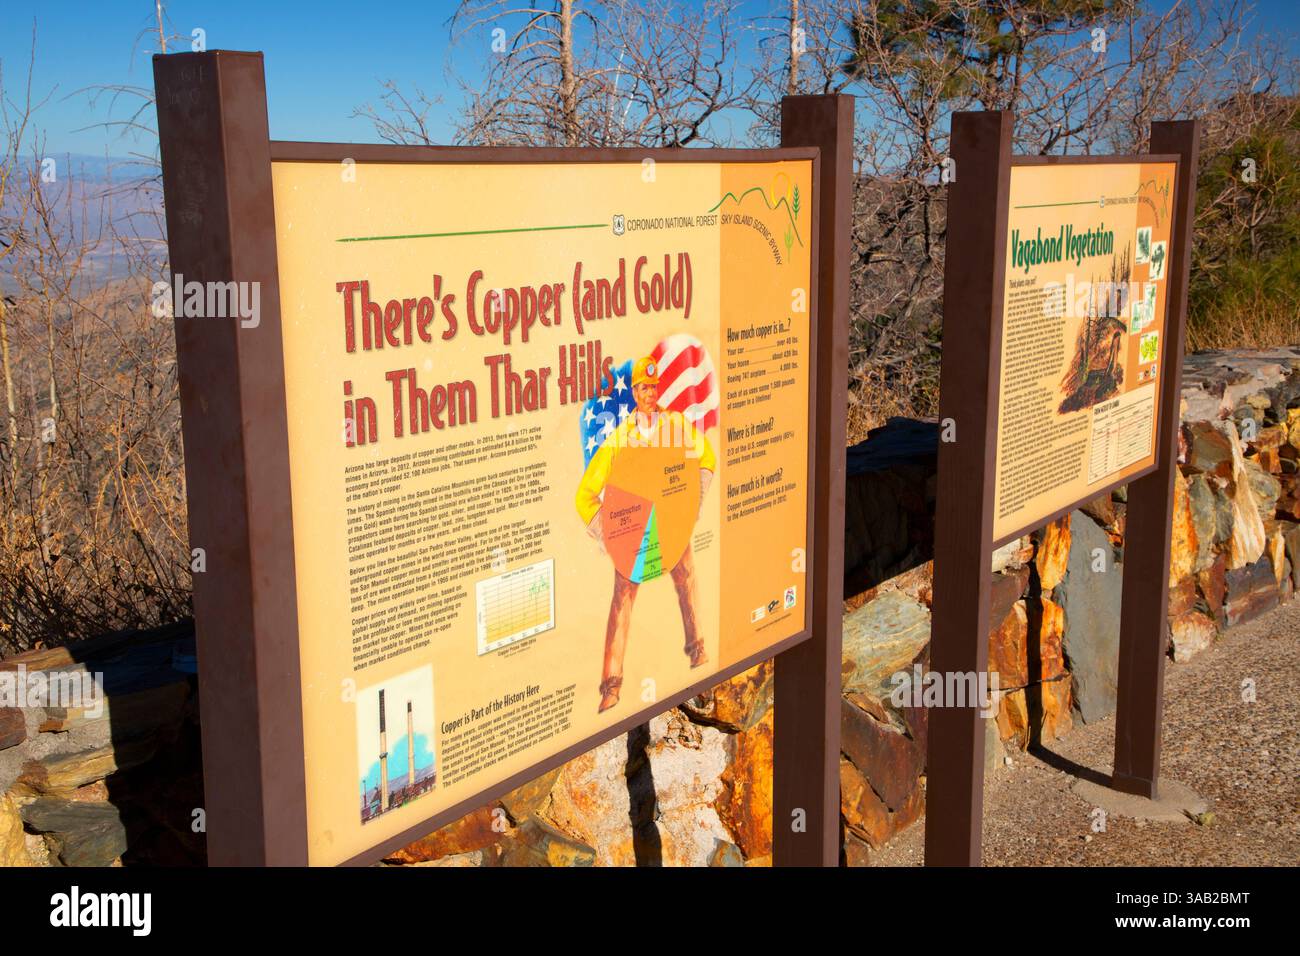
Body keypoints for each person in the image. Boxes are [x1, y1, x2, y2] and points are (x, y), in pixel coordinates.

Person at [576, 356, 715, 713]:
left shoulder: (675, 424)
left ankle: (698, 649)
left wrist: (693, 506)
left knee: (686, 575)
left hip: (670, 521)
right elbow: (584, 496)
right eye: (642, 387)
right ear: (635, 392)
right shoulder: (621, 438)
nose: (648, 393)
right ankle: (611, 687)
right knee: (622, 597)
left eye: (653, 386)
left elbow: (707, 456)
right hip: (635, 528)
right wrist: (610, 538)